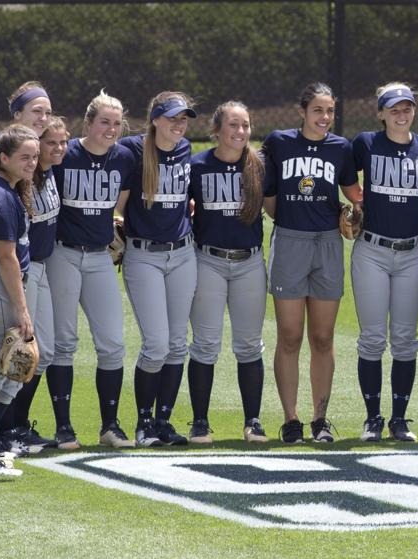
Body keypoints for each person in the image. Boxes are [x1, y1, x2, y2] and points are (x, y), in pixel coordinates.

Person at [262, 82, 360, 444]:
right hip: (290, 240)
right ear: (302, 111)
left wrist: (354, 213)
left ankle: (320, 419)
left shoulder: (341, 148)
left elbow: (353, 194)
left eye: (330, 111)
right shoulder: (279, 142)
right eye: (318, 110)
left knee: (322, 337)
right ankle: (291, 419)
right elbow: (269, 198)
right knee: (290, 335)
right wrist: (290, 225)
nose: (325, 117)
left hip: (327, 244)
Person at [47, 90, 134, 448]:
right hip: (62, 254)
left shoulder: (124, 157)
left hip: (100, 257)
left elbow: (121, 203)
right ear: (88, 123)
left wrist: (117, 220)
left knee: (113, 343)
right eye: (104, 122)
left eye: (116, 123)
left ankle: (109, 426)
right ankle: (64, 427)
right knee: (64, 343)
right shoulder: (65, 154)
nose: (111, 129)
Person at [350, 83, 418, 443]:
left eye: (407, 108)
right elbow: (345, 179)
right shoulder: (366, 143)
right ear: (381, 113)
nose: (401, 114)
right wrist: (354, 203)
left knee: (404, 340)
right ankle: (373, 418)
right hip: (372, 249)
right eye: (394, 108)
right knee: (371, 339)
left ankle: (399, 419)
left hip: (413, 252)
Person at [118, 92, 198, 447]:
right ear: (155, 120)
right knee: (156, 344)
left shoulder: (185, 149)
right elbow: (117, 207)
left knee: (178, 345)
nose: (178, 124)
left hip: (182, 254)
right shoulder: (133, 151)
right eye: (172, 118)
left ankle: (164, 422)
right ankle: (143, 423)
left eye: (183, 118)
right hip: (144, 255)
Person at [187, 101, 269, 443]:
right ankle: (200, 422)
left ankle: (252, 421)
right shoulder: (197, 166)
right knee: (205, 344)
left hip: (249, 261)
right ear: (216, 130)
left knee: (250, 345)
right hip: (208, 260)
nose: (240, 132)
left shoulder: (259, 165)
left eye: (245, 125)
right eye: (233, 125)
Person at [0, 116, 66, 452]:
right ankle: (6, 429)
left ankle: (17, 424)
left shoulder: (50, 169)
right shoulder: (18, 174)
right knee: (19, 351)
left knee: (45, 351)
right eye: (49, 142)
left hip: (41, 267)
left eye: (60, 142)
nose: (56, 149)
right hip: (23, 270)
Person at [0, 125, 37, 476]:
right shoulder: (0, 195)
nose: (32, 163)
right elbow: (6, 257)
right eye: (24, 157)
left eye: (34, 156)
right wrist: (22, 309)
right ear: (3, 158)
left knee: (13, 371)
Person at [0, 81, 52, 167]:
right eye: (37, 111)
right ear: (17, 114)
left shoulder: (45, 148)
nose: (43, 118)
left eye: (48, 113)